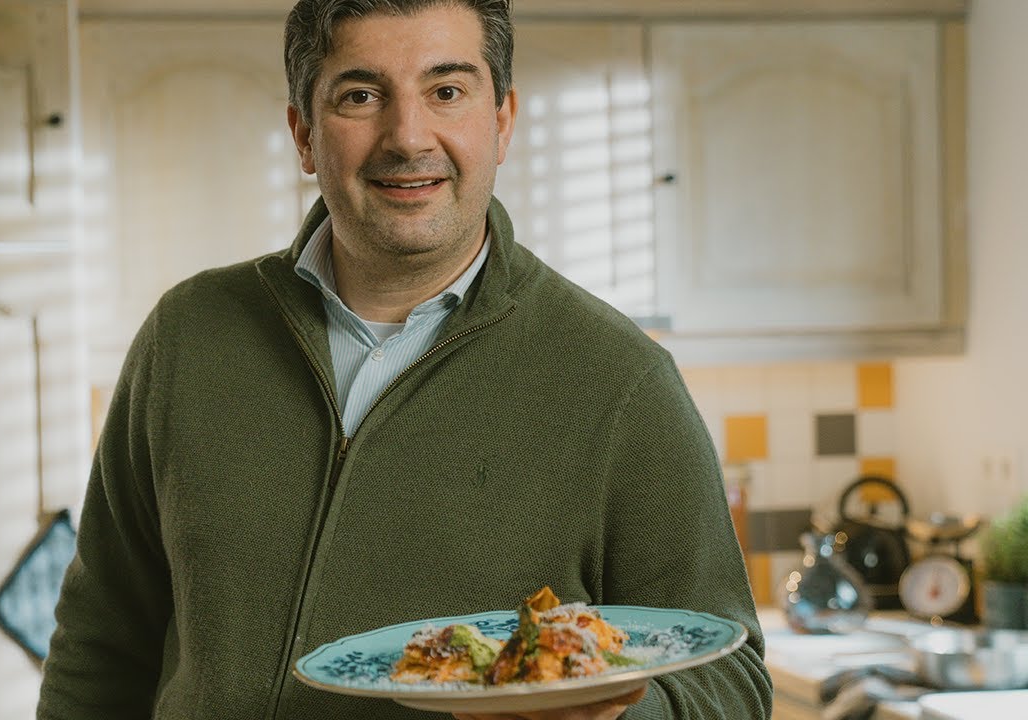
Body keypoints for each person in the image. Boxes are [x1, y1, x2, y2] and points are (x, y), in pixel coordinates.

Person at [38, 0, 772, 718]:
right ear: (302, 133)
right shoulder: (188, 337)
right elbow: (101, 642)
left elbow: (731, 680)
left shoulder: (621, 382)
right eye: (361, 95)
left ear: (503, 121)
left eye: (447, 91)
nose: (407, 136)